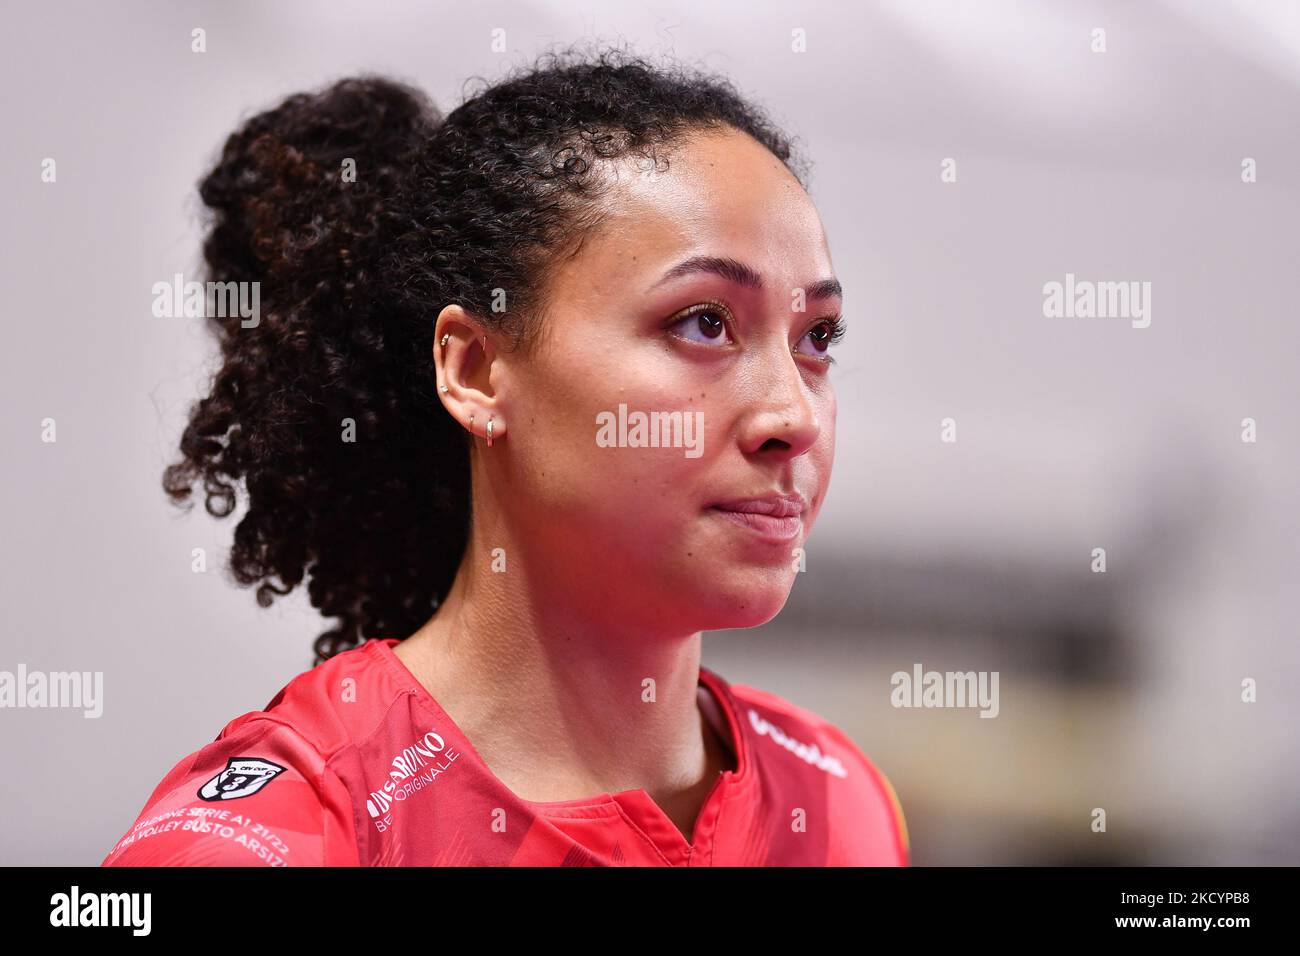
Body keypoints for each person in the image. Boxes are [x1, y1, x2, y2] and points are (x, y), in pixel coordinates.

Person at [101, 46, 909, 867]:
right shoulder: (282, 835)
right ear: (476, 371)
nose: (793, 415)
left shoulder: (838, 801)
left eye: (817, 339)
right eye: (703, 321)